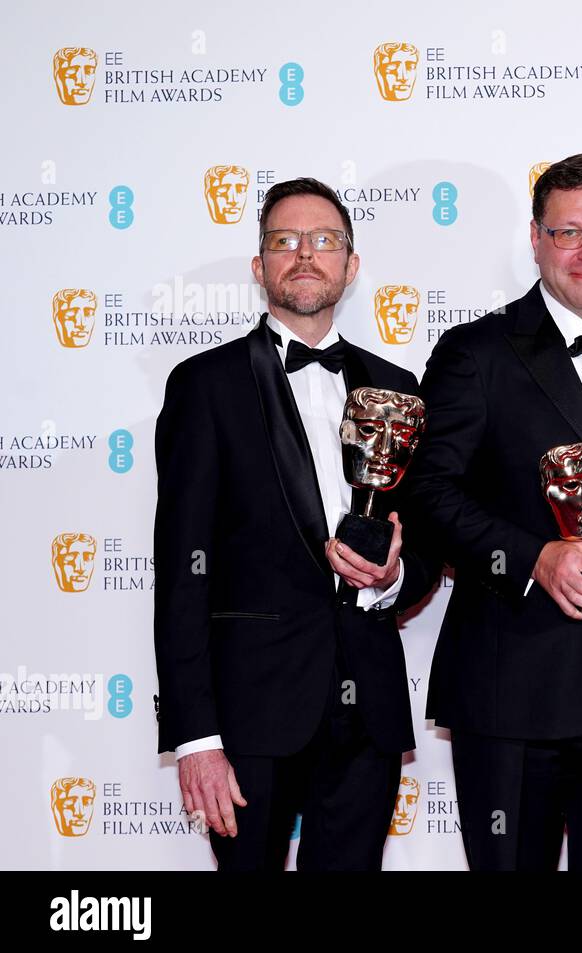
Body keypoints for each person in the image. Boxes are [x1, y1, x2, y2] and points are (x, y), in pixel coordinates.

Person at [405, 153, 582, 870]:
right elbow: (428, 493)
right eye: (570, 233)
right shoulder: (477, 352)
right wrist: (533, 556)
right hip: (517, 688)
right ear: (536, 239)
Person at [153, 176, 437, 871]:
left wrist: (392, 576)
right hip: (249, 716)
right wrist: (196, 739)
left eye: (324, 241)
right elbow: (181, 570)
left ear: (351, 264)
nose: (304, 255)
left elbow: (428, 542)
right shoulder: (206, 385)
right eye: (284, 241)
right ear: (260, 266)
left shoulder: (400, 388)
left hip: (365, 708)